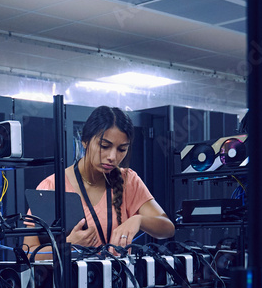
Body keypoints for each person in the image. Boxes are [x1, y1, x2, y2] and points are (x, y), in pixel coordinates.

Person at [23, 106, 174, 255]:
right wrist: (69, 245)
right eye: (104, 146)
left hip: (119, 278)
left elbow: (168, 228)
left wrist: (139, 220)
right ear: (85, 141)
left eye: (122, 149)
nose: (113, 157)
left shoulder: (128, 180)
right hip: (73, 279)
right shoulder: (52, 186)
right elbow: (28, 254)